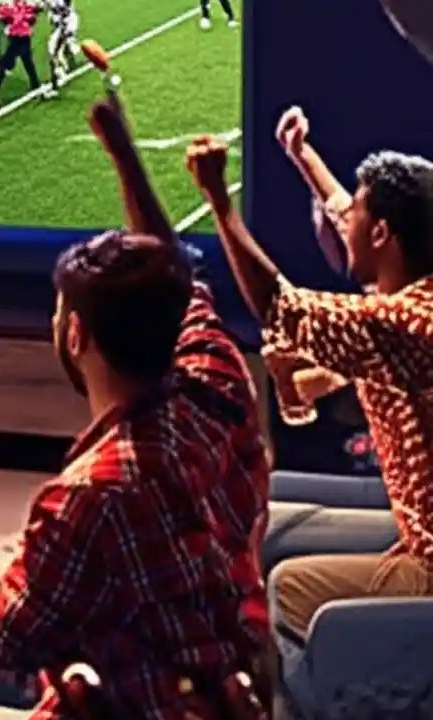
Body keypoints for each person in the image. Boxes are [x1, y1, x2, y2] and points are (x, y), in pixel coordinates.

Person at [0, 100, 270, 719]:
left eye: (59, 311)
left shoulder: (93, 495)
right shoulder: (215, 374)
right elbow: (173, 275)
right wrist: (124, 157)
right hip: (230, 678)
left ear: (77, 336)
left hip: (132, 699)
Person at [185, 121, 433, 712]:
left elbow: (281, 307)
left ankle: (318, 702)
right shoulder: (407, 299)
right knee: (266, 519)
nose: (343, 227)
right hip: (413, 528)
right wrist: (302, 155)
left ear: (383, 234)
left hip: (427, 553)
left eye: (358, 223)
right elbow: (345, 208)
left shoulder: (405, 323)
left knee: (286, 586)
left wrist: (221, 204)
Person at [0, 0, 53, 106]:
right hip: (15, 40)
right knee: (5, 68)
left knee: (29, 65)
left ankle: (36, 87)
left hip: (24, 39)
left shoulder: (24, 6)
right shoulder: (10, 8)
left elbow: (39, 8)